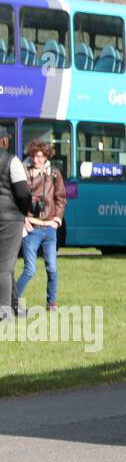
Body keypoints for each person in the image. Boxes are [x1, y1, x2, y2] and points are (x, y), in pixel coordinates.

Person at [17, 139, 65, 311]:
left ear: (46, 157)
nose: (36, 160)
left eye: (40, 156)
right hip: (32, 228)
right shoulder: (24, 172)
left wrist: (57, 219)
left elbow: (60, 197)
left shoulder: (54, 173)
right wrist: (23, 218)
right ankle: (12, 299)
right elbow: (18, 198)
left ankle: (52, 302)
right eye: (34, 156)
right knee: (30, 269)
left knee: (52, 268)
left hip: (50, 229)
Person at [0, 128, 33, 321]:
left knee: (7, 263)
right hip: (9, 219)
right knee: (4, 266)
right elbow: (22, 193)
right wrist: (25, 210)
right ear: (3, 141)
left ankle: (15, 308)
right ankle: (4, 313)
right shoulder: (12, 161)